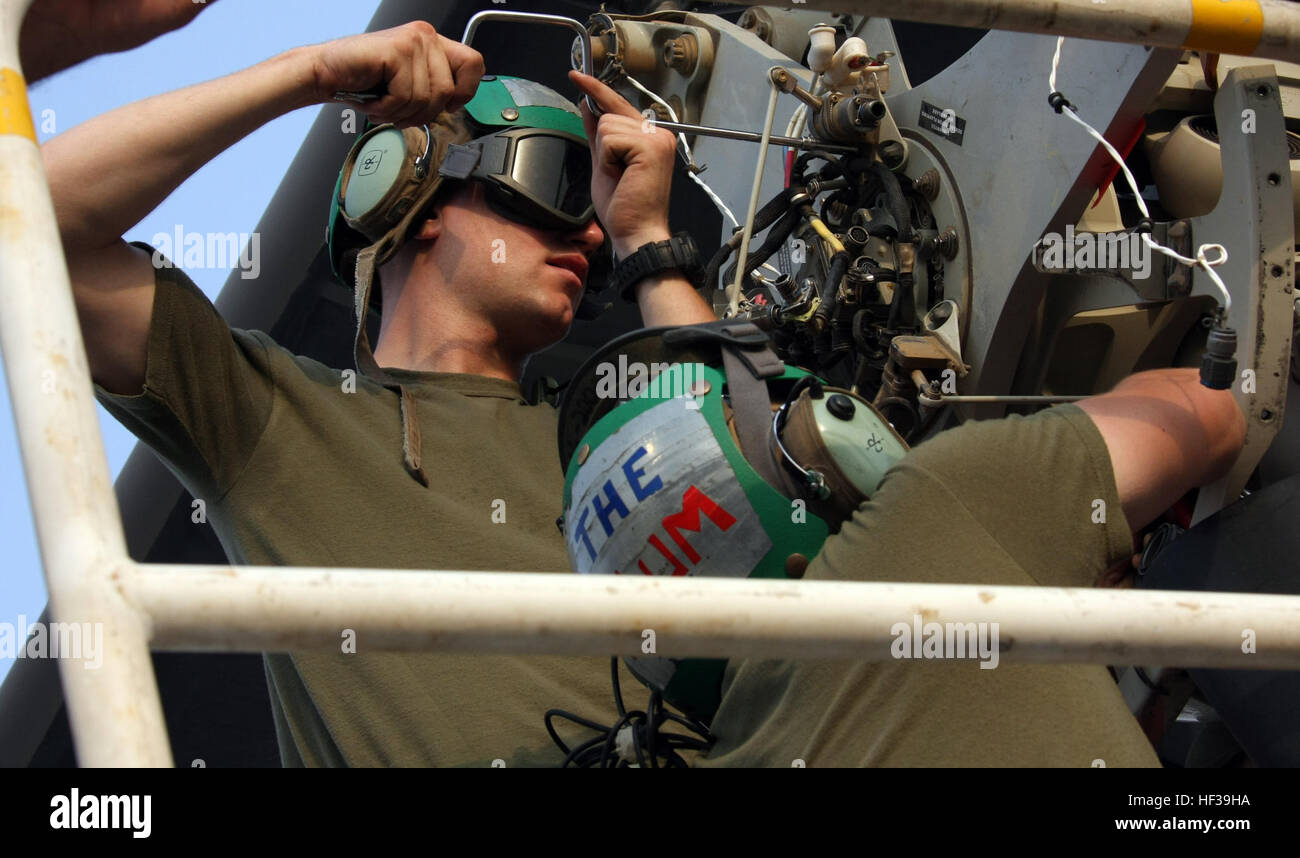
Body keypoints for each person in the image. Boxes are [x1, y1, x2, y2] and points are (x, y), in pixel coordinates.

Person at [30, 7, 1246, 766]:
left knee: (942, 522)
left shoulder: (596, 412)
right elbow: (31, 221)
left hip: (758, 741)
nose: (583, 233)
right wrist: (309, 73)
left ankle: (1239, 403)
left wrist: (654, 239)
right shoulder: (267, 419)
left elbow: (760, 463)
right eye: (555, 179)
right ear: (403, 198)